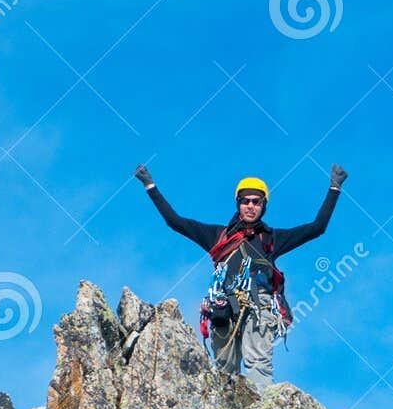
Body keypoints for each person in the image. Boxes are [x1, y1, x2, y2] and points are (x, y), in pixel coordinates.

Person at [134, 162, 347, 390]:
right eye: (246, 201)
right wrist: (150, 185)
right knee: (225, 367)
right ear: (238, 204)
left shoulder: (272, 239)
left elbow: (317, 227)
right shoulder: (218, 235)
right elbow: (175, 222)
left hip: (260, 306)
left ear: (263, 206)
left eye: (256, 202)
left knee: (258, 362)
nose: (250, 206)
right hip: (224, 305)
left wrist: (335, 188)